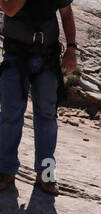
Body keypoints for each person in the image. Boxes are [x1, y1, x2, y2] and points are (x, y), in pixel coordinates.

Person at [0, 0, 76, 195]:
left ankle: (47, 174)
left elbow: (66, 13)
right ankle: (5, 170)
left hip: (47, 55)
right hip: (16, 55)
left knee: (47, 116)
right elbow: (9, 9)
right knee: (10, 114)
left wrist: (72, 48)